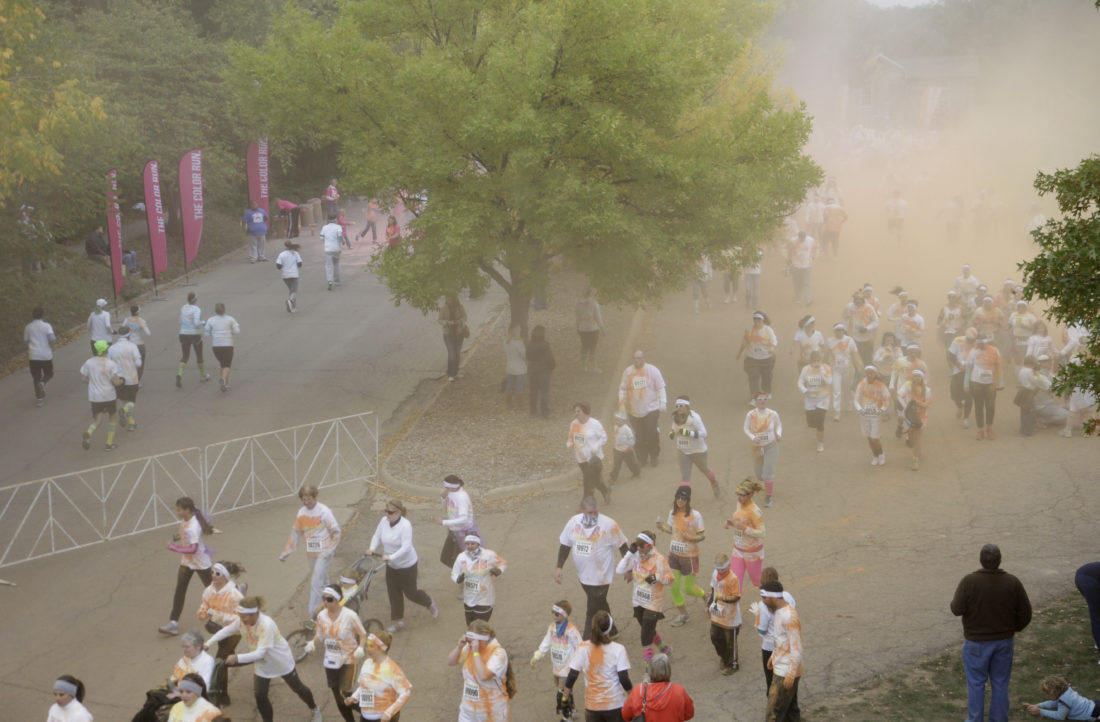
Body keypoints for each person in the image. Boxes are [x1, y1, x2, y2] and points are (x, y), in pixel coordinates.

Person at [207, 595, 323, 722]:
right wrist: (207, 643)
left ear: (255, 613)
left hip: (280, 661)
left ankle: (314, 708)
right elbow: (227, 630)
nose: (241, 619)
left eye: (244, 616)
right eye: (240, 615)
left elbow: (261, 653)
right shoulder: (242, 620)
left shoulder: (266, 625)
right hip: (262, 664)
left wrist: (237, 657)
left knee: (297, 688)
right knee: (260, 695)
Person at [951, 544, 1032, 722]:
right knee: (1000, 683)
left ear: (980, 560)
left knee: (976, 684)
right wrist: (1013, 628)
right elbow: (1026, 612)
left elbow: (956, 609)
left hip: (976, 643)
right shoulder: (1012, 582)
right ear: (1000, 560)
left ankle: (975, 719)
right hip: (1004, 641)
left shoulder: (969, 581)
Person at [555, 496, 630, 640]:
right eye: (590, 513)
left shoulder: (608, 524)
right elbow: (565, 545)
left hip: (601, 578)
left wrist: (628, 568)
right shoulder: (573, 522)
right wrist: (559, 567)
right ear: (582, 510)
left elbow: (623, 545)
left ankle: (586, 641)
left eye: (595, 512)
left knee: (591, 610)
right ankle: (612, 630)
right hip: (583, 576)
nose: (594, 515)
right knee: (600, 604)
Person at [368, 499, 438, 633]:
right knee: (393, 593)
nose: (387, 514)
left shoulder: (406, 525)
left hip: (407, 565)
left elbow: (406, 547)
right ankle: (399, 621)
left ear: (399, 513)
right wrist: (372, 548)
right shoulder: (384, 521)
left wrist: (391, 557)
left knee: (411, 593)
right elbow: (376, 536)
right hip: (391, 565)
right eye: (386, 511)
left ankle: (429, 602)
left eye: (390, 512)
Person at [302, 585, 368, 722]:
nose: (325, 602)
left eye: (329, 599)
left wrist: (361, 648)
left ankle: (374, 711)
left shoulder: (350, 616)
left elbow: (362, 634)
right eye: (324, 599)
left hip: (349, 658)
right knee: (338, 697)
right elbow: (319, 635)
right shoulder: (321, 616)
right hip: (331, 658)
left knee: (345, 695)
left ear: (337, 600)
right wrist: (312, 643)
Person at [279, 485, 341, 619]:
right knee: (322, 580)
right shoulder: (301, 513)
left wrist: (329, 550)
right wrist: (287, 552)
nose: (306, 503)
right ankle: (334, 599)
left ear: (315, 497)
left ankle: (314, 614)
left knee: (315, 581)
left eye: (309, 500)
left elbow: (336, 531)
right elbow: (296, 533)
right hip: (312, 551)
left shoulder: (324, 511)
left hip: (325, 552)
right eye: (304, 500)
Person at [615, 530, 674, 664]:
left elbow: (671, 580)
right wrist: (629, 553)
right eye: (636, 547)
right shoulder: (636, 555)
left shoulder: (659, 559)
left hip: (654, 602)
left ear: (647, 546)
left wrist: (657, 577)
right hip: (638, 600)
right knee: (648, 629)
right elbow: (619, 570)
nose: (638, 550)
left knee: (645, 636)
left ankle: (649, 669)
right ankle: (664, 648)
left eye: (640, 547)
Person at [562, 610, 632, 722]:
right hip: (615, 705)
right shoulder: (618, 649)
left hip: (592, 707)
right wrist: (632, 695)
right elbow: (623, 678)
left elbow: (572, 675)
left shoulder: (583, 648)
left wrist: (565, 697)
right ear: (609, 628)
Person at [159, 496, 214, 636]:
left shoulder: (194, 527)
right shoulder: (185, 520)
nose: (177, 512)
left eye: (179, 510)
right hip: (187, 562)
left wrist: (174, 547)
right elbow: (183, 534)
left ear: (187, 510)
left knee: (214, 590)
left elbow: (193, 549)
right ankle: (173, 623)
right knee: (180, 590)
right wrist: (175, 538)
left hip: (200, 562)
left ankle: (235, 598)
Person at [133, 633, 218, 721]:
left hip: (190, 696)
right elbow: (175, 676)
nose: (184, 650)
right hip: (177, 690)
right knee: (152, 699)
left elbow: (204, 687)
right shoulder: (186, 659)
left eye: (187, 647)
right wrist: (170, 685)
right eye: (183, 647)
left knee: (153, 704)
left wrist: (181, 694)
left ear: (198, 647)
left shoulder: (206, 661)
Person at [655, 485, 705, 628]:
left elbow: (702, 536)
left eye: (683, 498)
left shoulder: (696, 515)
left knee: (689, 589)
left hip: (690, 557)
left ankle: (706, 596)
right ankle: (683, 615)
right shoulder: (672, 513)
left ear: (688, 499)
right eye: (678, 497)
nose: (680, 500)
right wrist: (662, 527)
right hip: (674, 556)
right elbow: (672, 530)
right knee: (674, 587)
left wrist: (690, 538)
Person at [447, 620, 513, 721]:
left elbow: (484, 676)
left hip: (493, 712)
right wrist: (459, 647)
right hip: (468, 710)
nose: (469, 644)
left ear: (483, 639)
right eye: (469, 641)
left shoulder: (498, 653)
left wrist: (475, 653)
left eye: (472, 641)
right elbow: (451, 662)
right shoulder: (470, 647)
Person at [529, 601, 583, 722]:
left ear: (565, 615)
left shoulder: (571, 630)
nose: (554, 616)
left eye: (557, 614)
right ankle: (573, 710)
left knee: (562, 693)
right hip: (557, 666)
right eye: (553, 613)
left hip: (568, 667)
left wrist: (581, 664)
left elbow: (580, 647)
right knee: (566, 690)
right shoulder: (552, 627)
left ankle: (566, 717)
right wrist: (537, 655)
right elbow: (546, 641)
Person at [751, 567, 797, 706]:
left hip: (770, 647)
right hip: (787, 645)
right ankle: (791, 709)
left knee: (771, 682)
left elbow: (762, 631)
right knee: (788, 679)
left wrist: (757, 617)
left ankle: (774, 710)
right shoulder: (788, 596)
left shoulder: (763, 605)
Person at [345, 629, 412, 721]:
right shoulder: (367, 663)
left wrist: (389, 713)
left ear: (382, 648)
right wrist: (353, 697)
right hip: (364, 717)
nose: (367, 649)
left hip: (382, 719)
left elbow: (406, 692)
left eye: (372, 646)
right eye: (368, 645)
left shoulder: (392, 669)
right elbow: (363, 687)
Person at [761, 580, 803, 722]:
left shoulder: (789, 616)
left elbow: (796, 647)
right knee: (790, 711)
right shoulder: (778, 612)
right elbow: (780, 640)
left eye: (764, 598)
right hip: (781, 667)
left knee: (773, 714)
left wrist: (790, 674)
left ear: (772, 597)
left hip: (786, 673)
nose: (763, 602)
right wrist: (773, 656)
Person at [618, 350, 668, 467]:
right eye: (634, 358)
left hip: (651, 408)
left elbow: (661, 387)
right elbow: (622, 390)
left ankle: (654, 455)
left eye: (639, 358)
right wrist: (622, 407)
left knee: (651, 432)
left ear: (644, 358)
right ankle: (642, 458)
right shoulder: (628, 372)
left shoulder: (652, 370)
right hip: (634, 410)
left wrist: (663, 402)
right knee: (639, 435)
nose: (636, 360)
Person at [668, 396, 721, 496]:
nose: (678, 408)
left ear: (687, 406)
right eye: (677, 406)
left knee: (704, 469)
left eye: (681, 406)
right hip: (682, 450)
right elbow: (674, 427)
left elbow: (704, 433)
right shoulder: (675, 417)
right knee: (685, 476)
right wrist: (672, 433)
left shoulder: (695, 418)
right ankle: (684, 499)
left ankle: (714, 482)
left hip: (698, 451)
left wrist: (689, 433)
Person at [620, 654, 694, 722]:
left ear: (651, 671)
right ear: (668, 670)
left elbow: (625, 715)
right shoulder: (678, 691)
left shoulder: (638, 691)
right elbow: (689, 714)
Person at [196, 561, 245, 662]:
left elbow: (241, 619)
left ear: (225, 577)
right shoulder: (209, 590)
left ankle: (257, 658)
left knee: (220, 660)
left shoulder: (234, 595)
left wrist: (216, 615)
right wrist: (202, 612)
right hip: (219, 629)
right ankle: (256, 658)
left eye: (217, 574)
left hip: (234, 632)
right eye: (212, 572)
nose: (213, 575)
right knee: (226, 660)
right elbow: (204, 605)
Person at [451, 533, 506, 624]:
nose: (470, 546)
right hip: (469, 598)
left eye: (472, 543)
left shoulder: (488, 555)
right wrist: (458, 578)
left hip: (485, 597)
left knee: (480, 626)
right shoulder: (461, 557)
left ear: (478, 543)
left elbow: (503, 563)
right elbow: (454, 572)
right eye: (468, 544)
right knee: (470, 625)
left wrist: (499, 570)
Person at [80, 340, 123, 451]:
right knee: (112, 417)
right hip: (109, 395)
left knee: (97, 420)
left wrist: (93, 381)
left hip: (95, 396)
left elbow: (84, 379)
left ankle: (89, 432)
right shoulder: (111, 364)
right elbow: (116, 382)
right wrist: (122, 381)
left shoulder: (88, 362)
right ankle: (109, 444)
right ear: (105, 350)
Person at [725, 478, 766, 588]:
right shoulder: (739, 504)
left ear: (751, 494)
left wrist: (744, 528)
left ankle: (770, 598)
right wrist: (731, 523)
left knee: (757, 582)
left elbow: (762, 533)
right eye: (738, 494)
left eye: (742, 495)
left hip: (753, 553)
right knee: (735, 582)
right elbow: (739, 521)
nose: (739, 497)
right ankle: (735, 605)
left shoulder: (754, 511)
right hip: (738, 550)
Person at [567, 401, 611, 503]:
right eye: (575, 411)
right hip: (581, 457)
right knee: (594, 478)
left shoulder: (595, 424)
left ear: (585, 411)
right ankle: (606, 491)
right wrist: (569, 443)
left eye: (578, 411)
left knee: (587, 479)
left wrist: (596, 445)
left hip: (593, 458)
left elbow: (604, 437)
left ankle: (586, 501)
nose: (576, 413)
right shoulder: (574, 424)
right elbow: (570, 437)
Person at [743, 392, 782, 506]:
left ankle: (768, 497)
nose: (762, 401)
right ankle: (766, 482)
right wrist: (752, 437)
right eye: (760, 399)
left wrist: (779, 433)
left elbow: (779, 425)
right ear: (755, 401)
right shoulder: (750, 415)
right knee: (760, 475)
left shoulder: (772, 414)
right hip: (757, 448)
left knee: (768, 473)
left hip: (771, 445)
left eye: (764, 399)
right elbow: (746, 428)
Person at [707, 552, 742, 675]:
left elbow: (736, 597)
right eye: (718, 569)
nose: (720, 572)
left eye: (723, 569)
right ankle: (724, 657)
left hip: (730, 617)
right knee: (715, 636)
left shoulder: (733, 578)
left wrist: (724, 598)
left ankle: (733, 664)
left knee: (730, 642)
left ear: (729, 567)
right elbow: (713, 589)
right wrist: (709, 604)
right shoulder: (715, 574)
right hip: (717, 613)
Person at [965, 334, 1004, 440]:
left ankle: (989, 428)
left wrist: (1001, 381)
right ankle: (980, 430)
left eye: (983, 343)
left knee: (990, 406)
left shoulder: (995, 350)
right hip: (976, 382)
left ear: (987, 342)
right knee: (978, 406)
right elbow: (968, 368)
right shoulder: (973, 352)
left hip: (990, 383)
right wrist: (966, 383)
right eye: (979, 343)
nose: (981, 345)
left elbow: (999, 366)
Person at [435, 474, 478, 569]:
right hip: (454, 529)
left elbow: (463, 519)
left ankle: (470, 575)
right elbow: (449, 507)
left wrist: (443, 522)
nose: (445, 489)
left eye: (446, 487)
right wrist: (443, 498)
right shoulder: (451, 492)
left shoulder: (462, 498)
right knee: (455, 556)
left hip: (463, 531)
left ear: (452, 487)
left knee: (465, 556)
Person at [737, 312, 779, 403]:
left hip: (767, 359)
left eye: (759, 320)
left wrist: (772, 348)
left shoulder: (768, 330)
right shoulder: (748, 330)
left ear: (763, 320)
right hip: (752, 358)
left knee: (767, 376)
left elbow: (774, 341)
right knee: (753, 377)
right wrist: (739, 353)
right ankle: (754, 397)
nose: (757, 322)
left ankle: (767, 390)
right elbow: (745, 341)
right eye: (755, 319)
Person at [855, 365, 891, 466]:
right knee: (869, 438)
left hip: (875, 415)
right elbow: (856, 399)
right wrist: (860, 410)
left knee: (875, 438)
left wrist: (882, 410)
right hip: (864, 415)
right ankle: (875, 456)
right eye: (868, 373)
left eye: (871, 373)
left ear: (875, 374)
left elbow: (887, 398)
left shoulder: (881, 385)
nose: (869, 375)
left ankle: (881, 454)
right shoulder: (861, 384)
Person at [796, 350, 832, 453]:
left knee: (820, 421)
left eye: (818, 360)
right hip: (810, 399)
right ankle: (817, 430)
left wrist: (822, 372)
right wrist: (805, 390)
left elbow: (829, 381)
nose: (816, 362)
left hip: (823, 398)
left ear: (821, 360)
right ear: (810, 360)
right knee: (811, 423)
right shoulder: (805, 369)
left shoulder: (826, 368)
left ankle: (820, 443)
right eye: (814, 360)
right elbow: (800, 383)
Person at [107, 326, 142, 430]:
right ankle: (124, 412)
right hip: (131, 378)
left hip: (119, 379)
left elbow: (109, 363)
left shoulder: (112, 348)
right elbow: (138, 363)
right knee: (131, 402)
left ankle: (132, 423)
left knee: (125, 401)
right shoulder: (132, 346)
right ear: (129, 335)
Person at [897, 368, 932, 470]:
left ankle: (915, 460)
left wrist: (919, 404)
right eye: (915, 376)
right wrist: (907, 406)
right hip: (908, 415)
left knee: (917, 437)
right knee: (911, 441)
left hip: (921, 416)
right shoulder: (907, 386)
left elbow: (928, 403)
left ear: (922, 378)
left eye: (919, 376)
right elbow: (899, 396)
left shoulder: (927, 390)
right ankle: (916, 447)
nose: (917, 378)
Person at [1023, 675, 1100, 720]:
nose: (1047, 696)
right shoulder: (1066, 691)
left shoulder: (1064, 701)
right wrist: (1038, 705)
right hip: (1094, 705)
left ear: (1054, 693)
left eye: (1048, 694)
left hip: (1094, 713)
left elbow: (1060, 716)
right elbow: (1054, 703)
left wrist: (1040, 711)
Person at [827, 322, 862, 421]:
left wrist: (859, 365)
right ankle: (837, 413)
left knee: (848, 389)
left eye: (841, 330)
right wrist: (829, 366)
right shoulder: (830, 341)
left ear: (844, 331)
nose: (839, 332)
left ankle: (849, 403)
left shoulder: (850, 340)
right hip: (836, 370)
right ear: (834, 331)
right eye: (837, 330)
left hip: (848, 369)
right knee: (836, 391)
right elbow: (829, 354)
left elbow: (855, 354)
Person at [204, 303, 240, 393]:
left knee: (222, 364)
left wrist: (215, 333)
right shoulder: (230, 319)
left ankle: (226, 384)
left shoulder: (210, 320)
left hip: (216, 346)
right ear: (224, 309)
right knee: (227, 365)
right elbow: (237, 331)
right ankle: (223, 379)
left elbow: (207, 333)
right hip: (227, 345)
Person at [176, 292, 210, 388]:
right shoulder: (196, 309)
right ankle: (203, 375)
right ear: (195, 300)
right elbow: (196, 323)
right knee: (199, 355)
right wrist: (202, 322)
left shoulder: (183, 307)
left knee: (185, 356)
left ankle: (179, 373)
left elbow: (180, 321)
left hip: (183, 334)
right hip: (194, 334)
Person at [25, 306, 56, 407]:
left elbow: (26, 341)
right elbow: (52, 339)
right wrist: (50, 345)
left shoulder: (28, 327)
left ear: (32, 315)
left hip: (33, 356)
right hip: (45, 355)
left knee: (36, 377)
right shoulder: (46, 326)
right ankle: (43, 382)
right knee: (49, 373)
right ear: (43, 315)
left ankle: (39, 399)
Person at [949, 328, 978, 428]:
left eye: (973, 339)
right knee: (953, 394)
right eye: (969, 339)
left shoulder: (978, 343)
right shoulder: (958, 340)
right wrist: (958, 365)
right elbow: (951, 355)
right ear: (966, 336)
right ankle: (960, 406)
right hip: (959, 371)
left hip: (972, 374)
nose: (971, 342)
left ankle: (966, 418)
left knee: (969, 396)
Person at [1075, 562, 1100, 666]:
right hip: (1089, 580)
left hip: (1081, 575)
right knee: (1097, 617)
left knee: (1096, 614)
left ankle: (1098, 642)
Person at [527, 324, 555, 417]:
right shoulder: (545, 345)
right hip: (544, 370)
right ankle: (544, 412)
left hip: (532, 370)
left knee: (533, 391)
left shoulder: (530, 344)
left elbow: (527, 356)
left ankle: (533, 411)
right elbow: (550, 359)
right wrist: (551, 367)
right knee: (544, 391)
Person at [439, 295, 468, 381]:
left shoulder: (460, 307)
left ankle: (456, 372)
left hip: (459, 333)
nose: (448, 300)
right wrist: (447, 322)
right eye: (447, 298)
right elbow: (439, 320)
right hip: (448, 334)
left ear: (454, 298)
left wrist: (460, 321)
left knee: (457, 353)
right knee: (452, 353)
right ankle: (451, 373)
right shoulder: (443, 308)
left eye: (450, 298)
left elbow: (465, 317)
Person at [784, 231, 818, 305]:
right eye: (800, 238)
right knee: (797, 283)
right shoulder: (792, 241)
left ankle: (808, 299)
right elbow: (784, 249)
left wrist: (813, 257)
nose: (802, 239)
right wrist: (788, 259)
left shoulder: (810, 240)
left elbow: (817, 247)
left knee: (807, 283)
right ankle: (797, 297)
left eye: (803, 238)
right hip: (796, 266)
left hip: (807, 265)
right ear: (798, 237)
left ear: (805, 237)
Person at [576, 287, 604, 372]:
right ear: (591, 294)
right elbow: (598, 317)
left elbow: (577, 317)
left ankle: (583, 366)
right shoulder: (594, 304)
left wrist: (577, 327)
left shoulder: (578, 304)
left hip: (582, 328)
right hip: (592, 329)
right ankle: (593, 367)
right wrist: (602, 328)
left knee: (584, 347)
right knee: (592, 349)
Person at [847, 294, 880, 365]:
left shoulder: (869, 307)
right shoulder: (850, 307)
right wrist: (845, 330)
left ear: (862, 299)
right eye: (856, 299)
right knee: (856, 360)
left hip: (867, 339)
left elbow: (876, 321)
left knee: (868, 360)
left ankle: (869, 374)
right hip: (855, 338)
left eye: (859, 299)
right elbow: (845, 318)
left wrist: (867, 328)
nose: (857, 301)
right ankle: (858, 375)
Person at [609, 412, 641, 483]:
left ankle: (636, 472)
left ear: (624, 420)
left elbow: (631, 439)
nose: (617, 422)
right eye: (616, 420)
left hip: (626, 450)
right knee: (616, 464)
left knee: (631, 463)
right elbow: (615, 436)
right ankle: (613, 478)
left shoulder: (627, 429)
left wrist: (630, 445)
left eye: (619, 420)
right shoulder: (615, 427)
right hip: (617, 450)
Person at [122, 305, 152, 381]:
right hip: (138, 344)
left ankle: (128, 378)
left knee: (129, 362)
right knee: (140, 362)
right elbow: (148, 333)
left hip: (128, 344)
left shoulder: (126, 320)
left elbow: (122, 330)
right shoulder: (141, 321)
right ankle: (137, 380)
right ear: (138, 312)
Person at [275, 240, 303, 313]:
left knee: (291, 290)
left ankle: (293, 307)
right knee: (294, 291)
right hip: (294, 274)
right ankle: (290, 301)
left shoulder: (281, 254)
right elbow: (300, 264)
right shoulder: (295, 253)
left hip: (285, 275)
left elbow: (278, 266)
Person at [503, 325, 527, 410]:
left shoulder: (506, 341)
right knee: (519, 386)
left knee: (510, 385)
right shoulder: (518, 342)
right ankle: (519, 405)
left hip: (510, 366)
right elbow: (524, 356)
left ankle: (508, 404)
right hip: (519, 368)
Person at [320, 213, 343, 291]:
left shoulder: (324, 227)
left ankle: (330, 281)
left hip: (328, 249)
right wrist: (342, 242)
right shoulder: (338, 227)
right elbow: (340, 236)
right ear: (335, 219)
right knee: (336, 264)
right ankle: (337, 280)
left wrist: (326, 240)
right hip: (336, 248)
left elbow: (321, 238)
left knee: (328, 265)